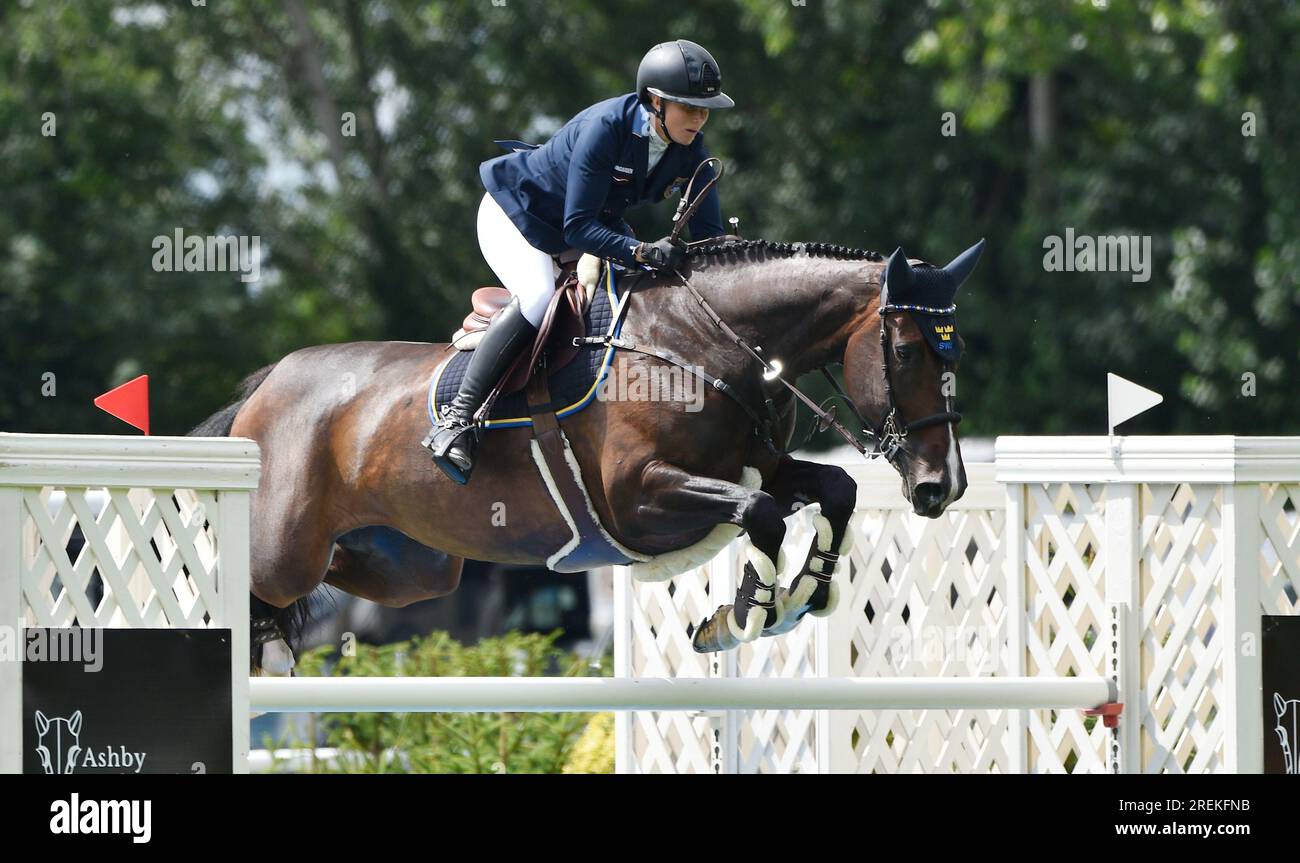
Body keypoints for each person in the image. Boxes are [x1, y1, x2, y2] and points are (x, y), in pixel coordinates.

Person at [424, 39, 735, 484]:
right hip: (518, 214)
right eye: (690, 108)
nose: (700, 118)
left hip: (588, 225)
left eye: (705, 109)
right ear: (656, 101)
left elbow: (710, 239)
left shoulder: (694, 151)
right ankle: (456, 421)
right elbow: (578, 228)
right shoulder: (606, 128)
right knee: (537, 296)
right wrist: (643, 251)